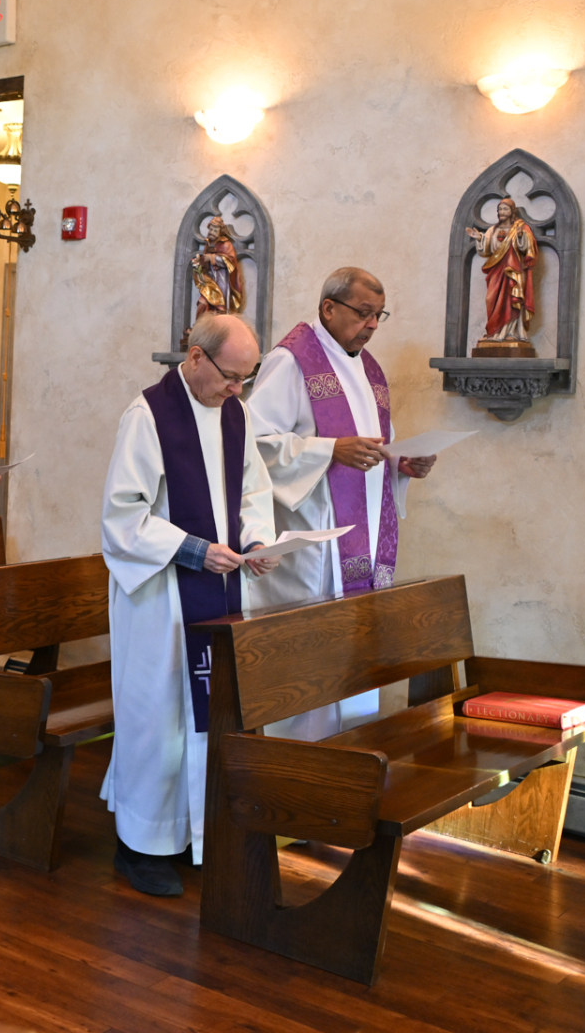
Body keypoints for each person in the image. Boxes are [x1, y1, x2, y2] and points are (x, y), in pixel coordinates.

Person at [99, 313, 278, 897]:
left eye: (246, 378)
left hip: (219, 593)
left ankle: (194, 835)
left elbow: (253, 489)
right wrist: (195, 551)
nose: (238, 389)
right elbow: (123, 516)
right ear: (195, 357)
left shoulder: (235, 413)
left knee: (206, 719)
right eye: (231, 376)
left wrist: (257, 540)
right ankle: (141, 846)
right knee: (158, 721)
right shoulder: (148, 416)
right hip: (160, 600)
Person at [245, 268, 436, 738]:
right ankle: (296, 757)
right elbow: (252, 446)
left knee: (355, 658)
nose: (371, 325)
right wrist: (329, 450)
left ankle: (350, 756)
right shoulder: (292, 361)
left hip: (362, 542)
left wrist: (401, 464)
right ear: (329, 308)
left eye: (379, 315)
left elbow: (371, 448)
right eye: (363, 313)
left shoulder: (369, 369)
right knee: (311, 662)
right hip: (314, 546)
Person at [466, 197, 539, 346]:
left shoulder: (520, 227)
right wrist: (480, 239)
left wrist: (520, 236)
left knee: (512, 299)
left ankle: (512, 332)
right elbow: (486, 251)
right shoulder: (492, 230)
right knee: (491, 299)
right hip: (496, 269)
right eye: (500, 209)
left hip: (514, 269)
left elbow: (528, 249)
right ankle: (494, 332)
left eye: (505, 209)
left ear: (512, 211)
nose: (502, 212)